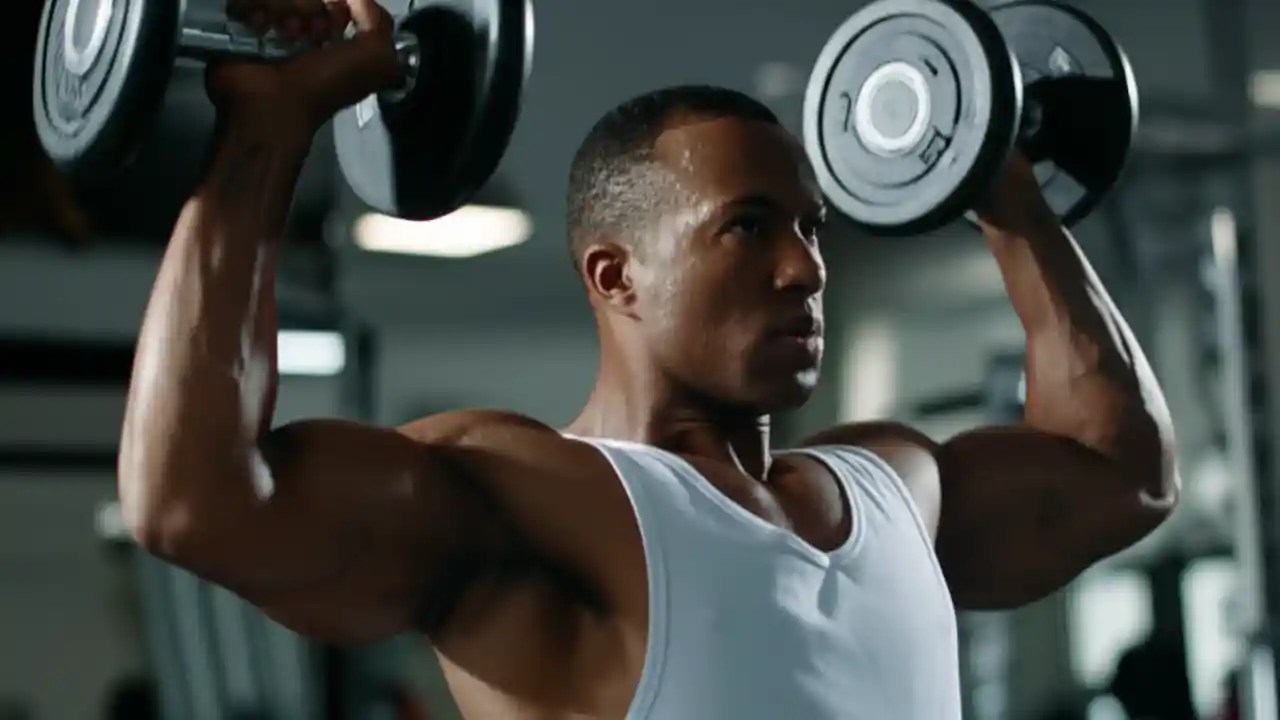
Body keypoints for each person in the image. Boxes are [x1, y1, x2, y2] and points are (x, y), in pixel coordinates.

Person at [117, 0, 1181, 717]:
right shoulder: (527, 498)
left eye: (812, 229)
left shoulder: (893, 484)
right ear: (614, 277)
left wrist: (1001, 190)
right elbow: (193, 502)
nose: (803, 270)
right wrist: (267, 135)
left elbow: (1120, 474)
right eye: (748, 227)